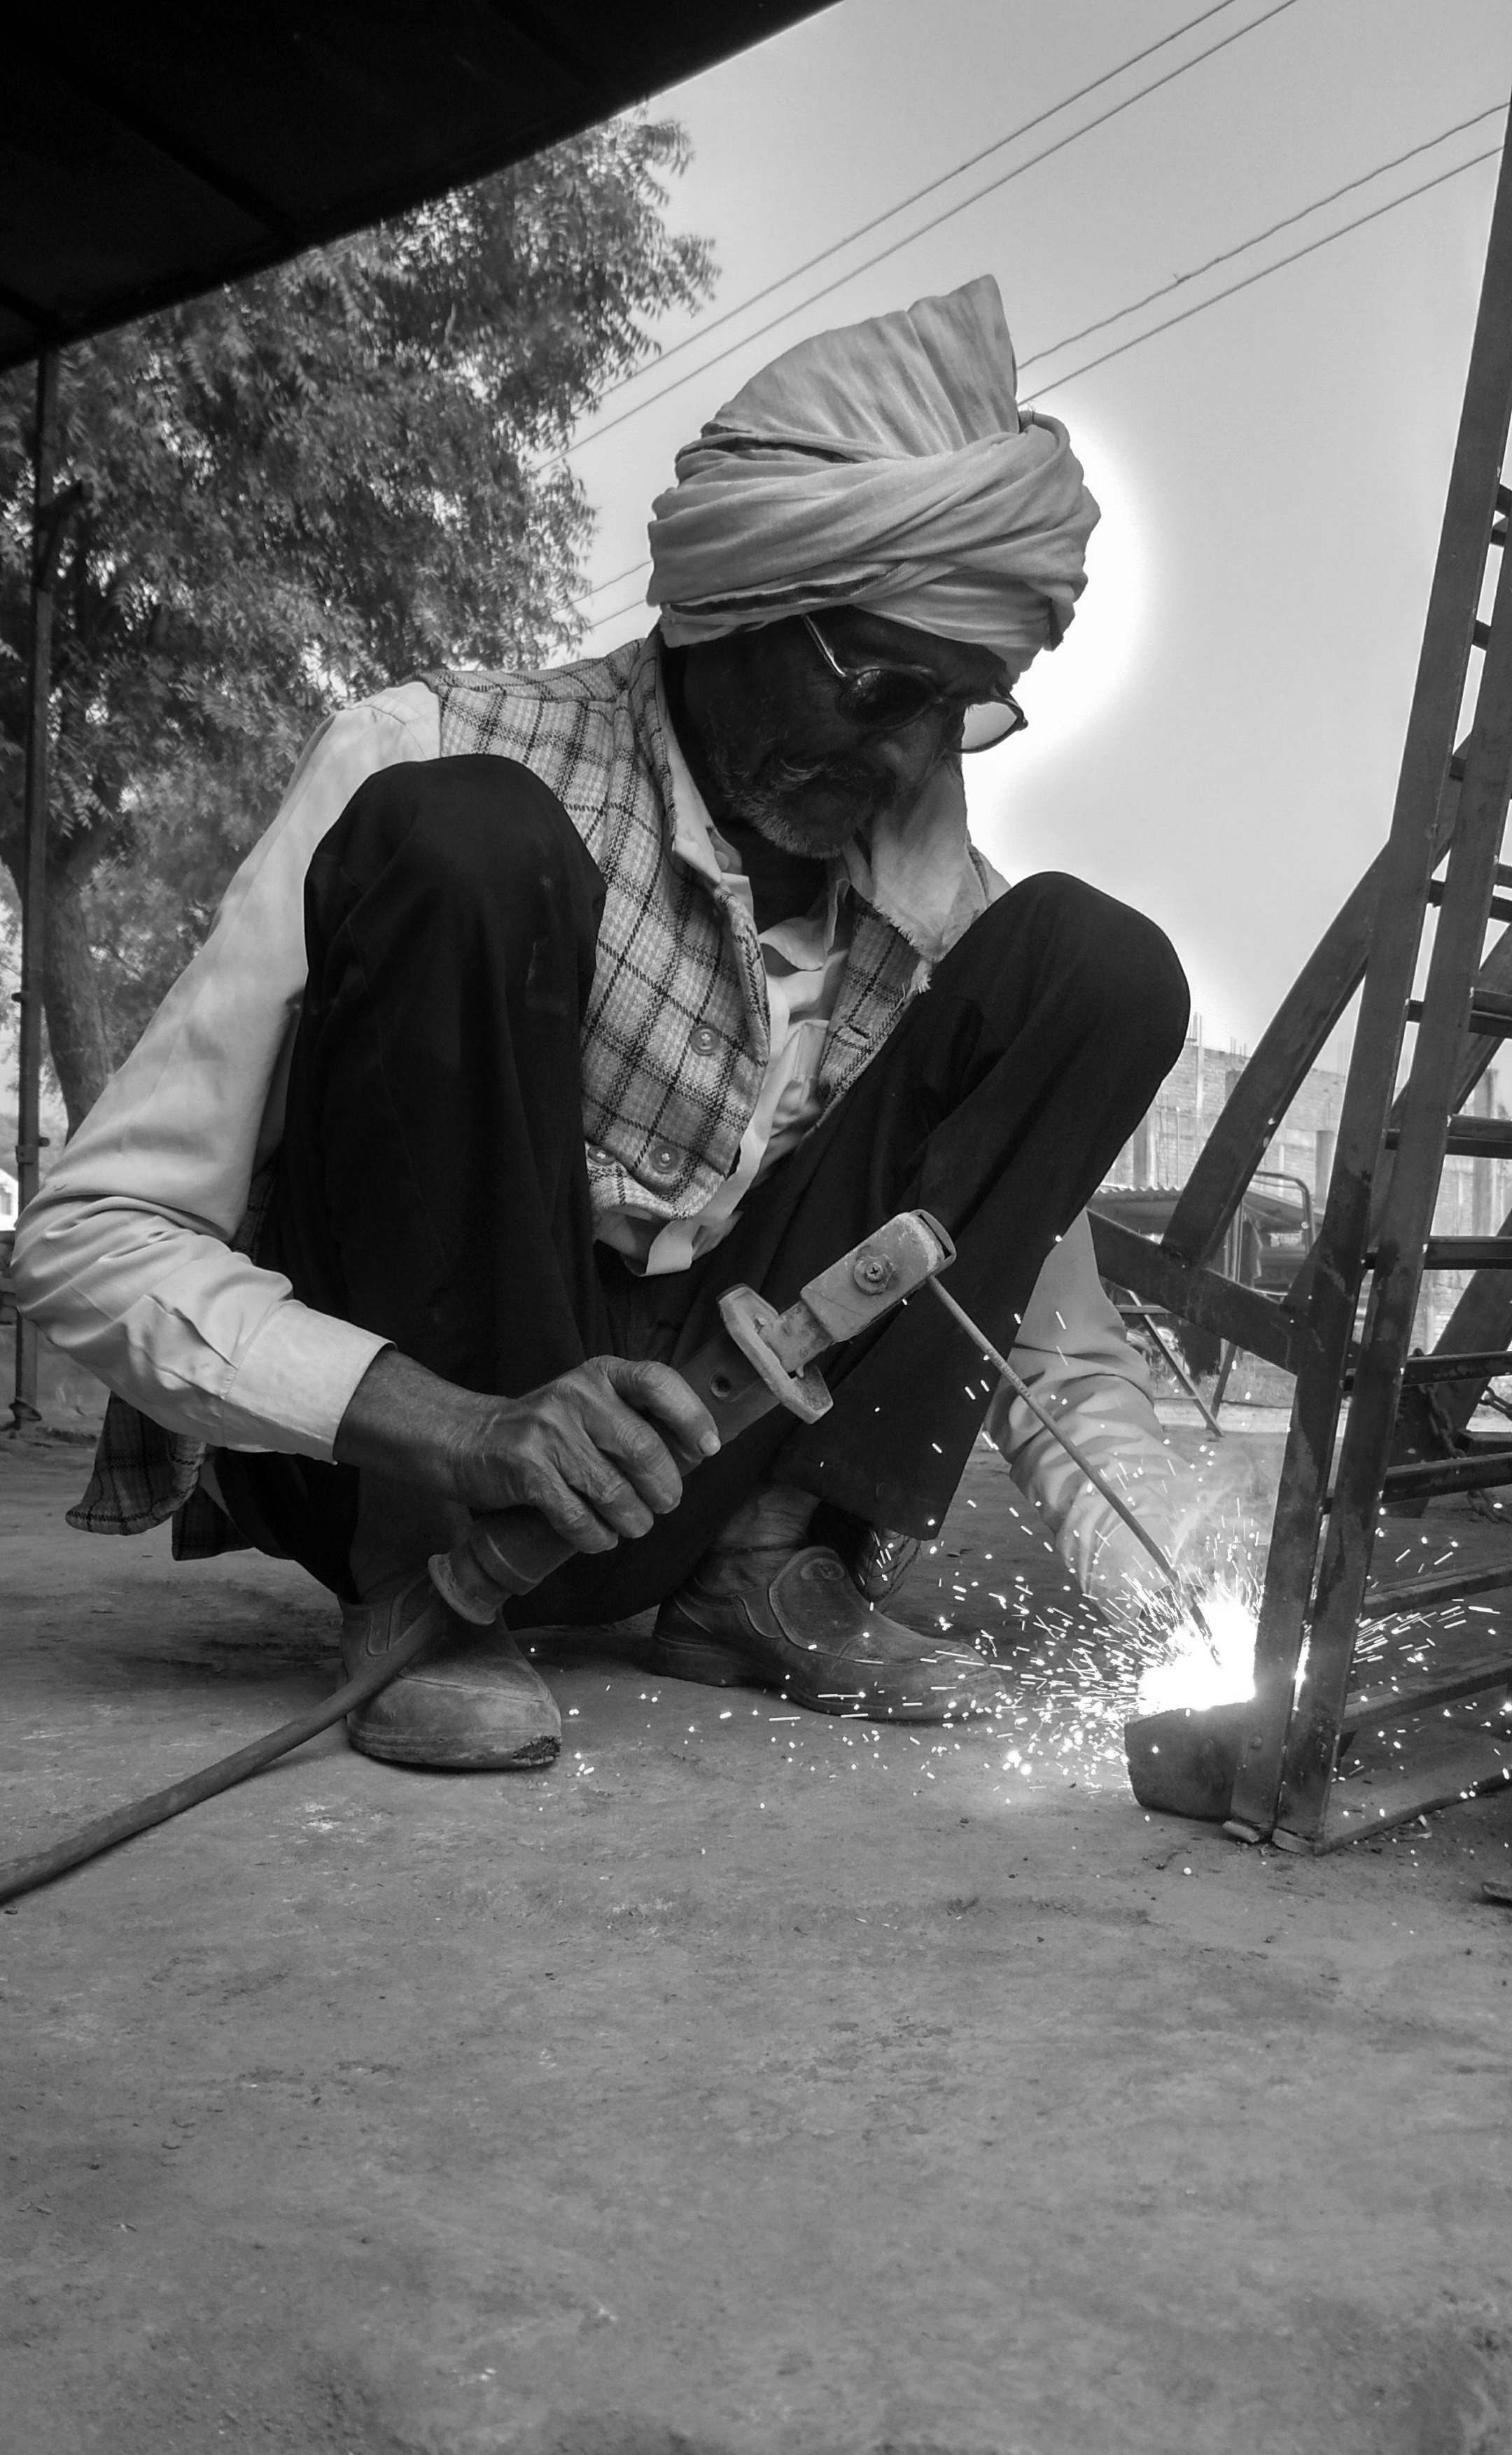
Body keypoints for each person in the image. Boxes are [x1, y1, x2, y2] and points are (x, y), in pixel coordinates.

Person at [14, 276, 1227, 1775]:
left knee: (1098, 964)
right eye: (885, 689)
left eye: (967, 710)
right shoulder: (425, 750)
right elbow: (90, 1241)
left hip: (690, 1484)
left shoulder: (940, 917)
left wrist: (1199, 1576)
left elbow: (1046, 1340)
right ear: (735, 607)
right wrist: (456, 1430)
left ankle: (774, 1569)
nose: (917, 755)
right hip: (416, 1461)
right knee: (471, 840)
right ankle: (423, 1589)